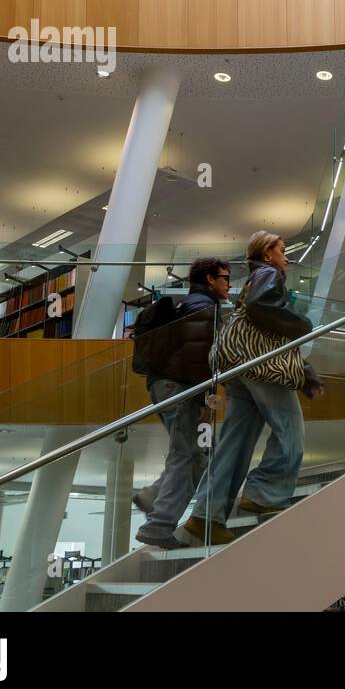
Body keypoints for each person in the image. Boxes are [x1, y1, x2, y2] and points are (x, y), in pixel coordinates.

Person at [181, 231, 321, 545]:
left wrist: (306, 372)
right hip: (260, 364)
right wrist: (304, 324)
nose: (286, 256)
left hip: (235, 363)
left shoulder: (254, 278)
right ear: (267, 253)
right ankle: (265, 494)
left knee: (235, 442)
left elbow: (266, 324)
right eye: (282, 250)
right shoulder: (270, 274)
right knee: (291, 432)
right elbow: (263, 308)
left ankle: (206, 516)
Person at [133, 257, 231, 549]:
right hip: (180, 388)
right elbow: (198, 358)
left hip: (167, 385)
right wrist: (205, 398)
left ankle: (153, 497)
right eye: (225, 277)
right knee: (185, 455)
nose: (229, 284)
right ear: (211, 279)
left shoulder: (192, 305)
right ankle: (158, 526)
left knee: (196, 455)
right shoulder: (202, 307)